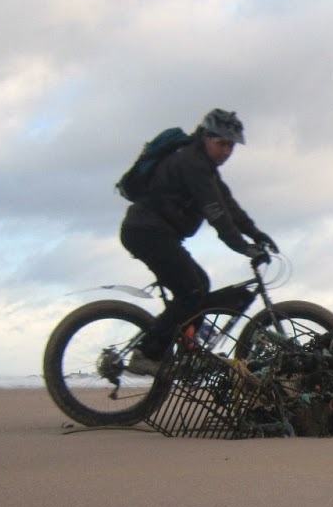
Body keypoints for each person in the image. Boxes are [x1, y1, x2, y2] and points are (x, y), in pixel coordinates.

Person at [119, 108, 278, 373]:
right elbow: (216, 213)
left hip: (157, 233)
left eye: (231, 146)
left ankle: (188, 348)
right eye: (222, 144)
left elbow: (230, 207)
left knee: (200, 285)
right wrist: (244, 248)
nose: (226, 151)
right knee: (191, 290)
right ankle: (146, 354)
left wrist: (256, 234)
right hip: (146, 232)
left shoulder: (206, 168)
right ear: (206, 137)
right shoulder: (192, 164)